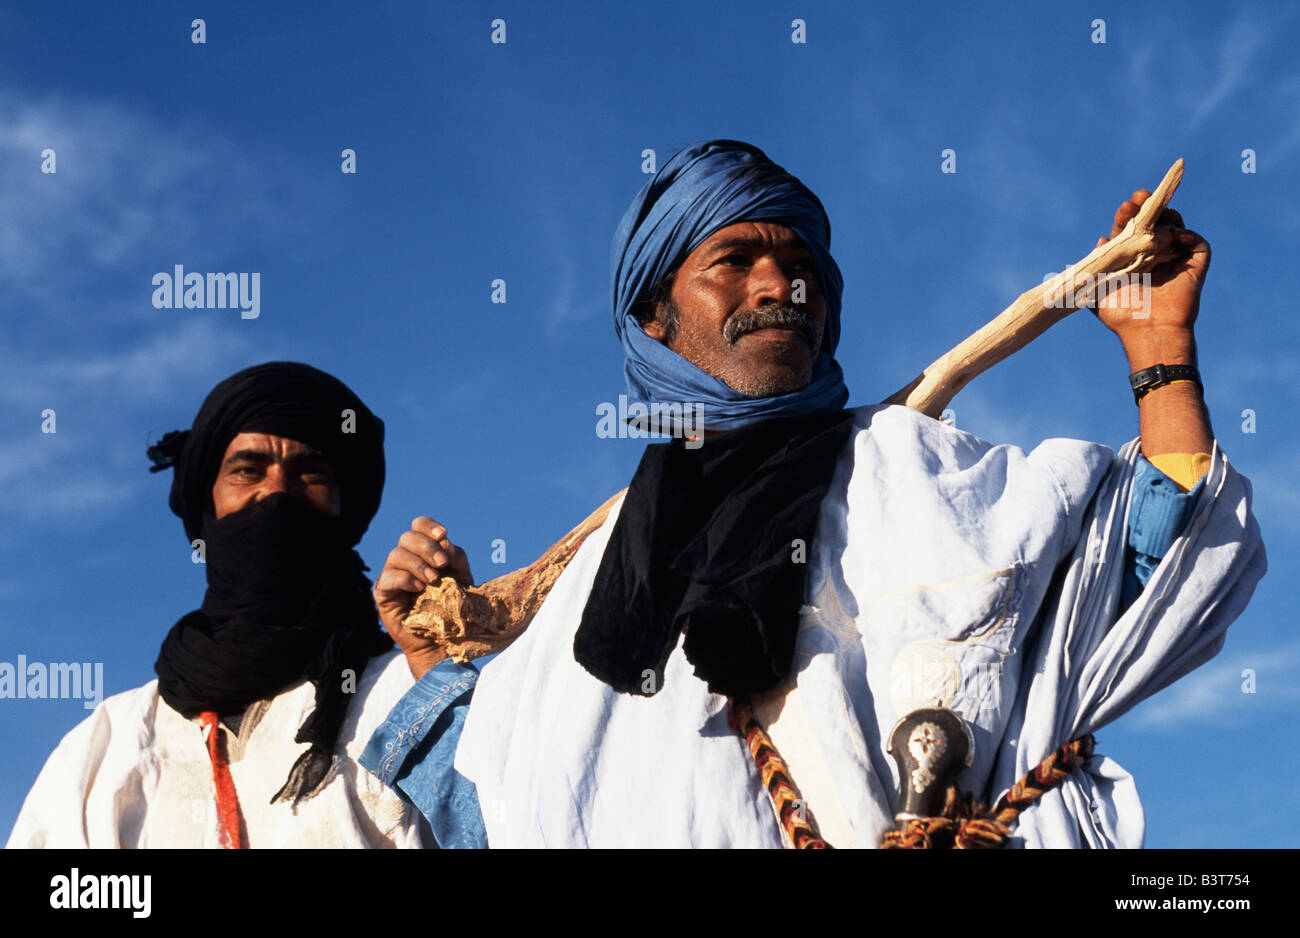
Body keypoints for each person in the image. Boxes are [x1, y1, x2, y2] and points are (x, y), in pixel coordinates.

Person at [370, 140, 1265, 848]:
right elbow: (500, 813)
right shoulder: (583, 598)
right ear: (655, 317)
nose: (779, 285)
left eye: (799, 266)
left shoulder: (913, 472)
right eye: (735, 259)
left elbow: (1154, 578)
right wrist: (424, 658)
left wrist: (1159, 354)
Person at [7, 361, 426, 848]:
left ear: (343, 506)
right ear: (207, 504)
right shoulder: (108, 747)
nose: (276, 494)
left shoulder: (407, 693)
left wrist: (442, 670)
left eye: (309, 473)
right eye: (248, 471)